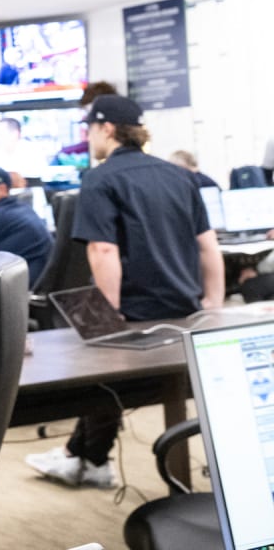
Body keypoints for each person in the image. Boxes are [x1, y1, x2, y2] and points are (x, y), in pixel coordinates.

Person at [26, 94, 224, 489]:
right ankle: (81, 455)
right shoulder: (179, 175)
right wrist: (213, 305)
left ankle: (88, 459)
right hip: (183, 311)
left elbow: (102, 250)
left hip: (134, 311)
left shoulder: (100, 178)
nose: (87, 137)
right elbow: (208, 245)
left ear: (107, 129)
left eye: (89, 129)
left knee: (89, 364)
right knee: (101, 372)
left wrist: (109, 316)